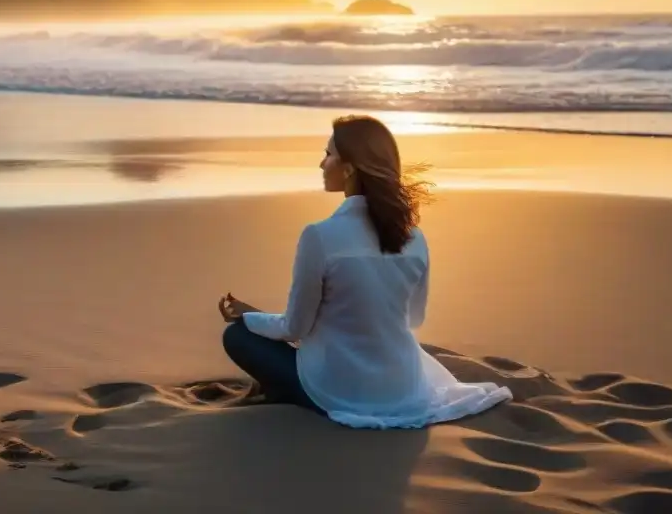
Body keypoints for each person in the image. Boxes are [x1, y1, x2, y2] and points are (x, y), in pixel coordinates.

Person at [218, 114, 513, 428]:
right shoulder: (415, 237)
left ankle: (290, 393)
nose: (321, 164)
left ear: (348, 170)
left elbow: (295, 329)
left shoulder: (319, 236)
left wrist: (249, 316)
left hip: (344, 391)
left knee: (237, 336)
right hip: (403, 389)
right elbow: (415, 319)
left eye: (328, 155)